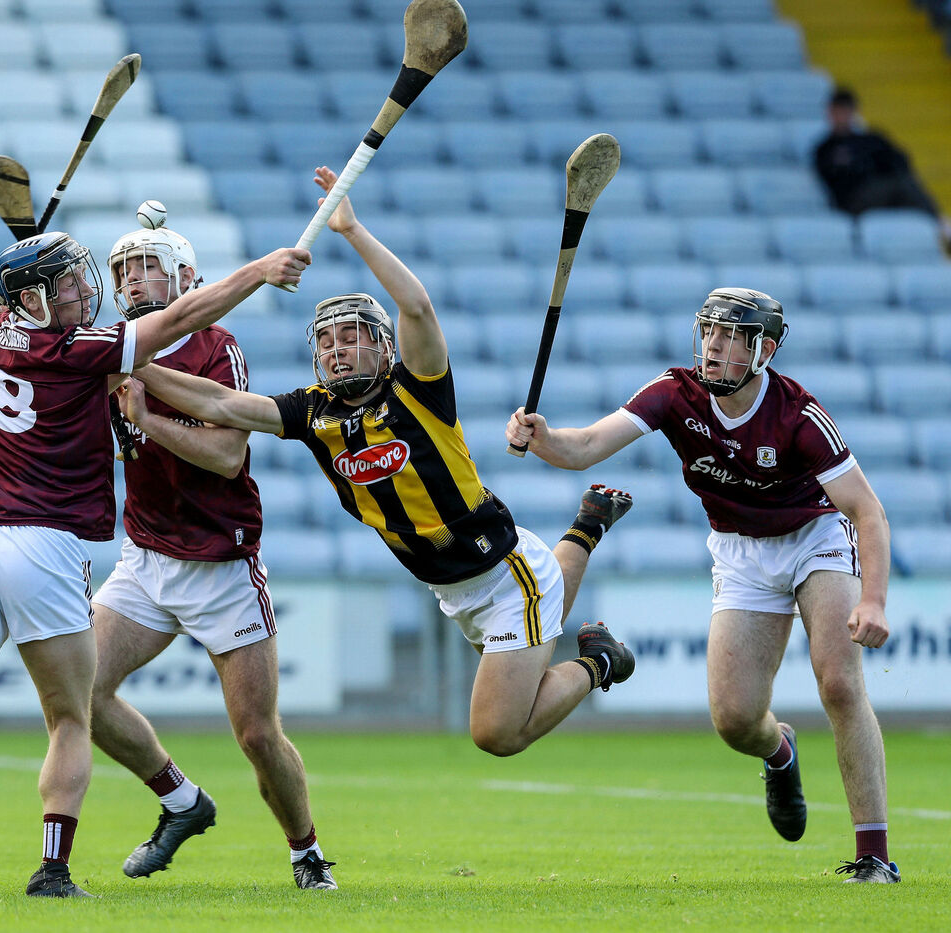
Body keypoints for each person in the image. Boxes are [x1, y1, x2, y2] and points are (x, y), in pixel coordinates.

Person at [0, 232, 311, 899]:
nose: (85, 288)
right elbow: (181, 319)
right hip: (44, 545)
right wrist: (262, 271)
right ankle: (53, 869)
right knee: (71, 717)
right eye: (69, 282)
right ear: (38, 296)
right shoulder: (83, 352)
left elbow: (8, 319)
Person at [130, 166, 639, 773]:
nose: (338, 349)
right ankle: (587, 525)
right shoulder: (310, 412)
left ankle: (600, 661)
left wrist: (351, 229)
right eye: (328, 341)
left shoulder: (417, 390)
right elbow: (217, 404)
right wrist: (128, 362)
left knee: (499, 733)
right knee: (534, 645)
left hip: (501, 573)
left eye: (352, 336)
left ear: (383, 345)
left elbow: (417, 305)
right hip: (448, 585)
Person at [0, 218, 335, 890]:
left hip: (223, 565)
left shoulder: (214, 346)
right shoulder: (101, 349)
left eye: (145, 264)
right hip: (145, 560)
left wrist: (148, 419)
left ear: (185, 278)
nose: (130, 278)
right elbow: (28, 357)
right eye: (121, 269)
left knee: (258, 734)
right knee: (81, 695)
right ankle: (180, 800)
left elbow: (228, 456)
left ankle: (306, 851)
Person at [506, 287, 898, 884]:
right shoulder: (673, 393)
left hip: (813, 537)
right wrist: (541, 437)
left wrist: (872, 598)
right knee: (736, 720)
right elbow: (584, 447)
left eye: (729, 337)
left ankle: (873, 854)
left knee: (840, 682)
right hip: (740, 552)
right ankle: (779, 751)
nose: (711, 348)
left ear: (763, 349)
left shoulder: (798, 415)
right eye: (708, 332)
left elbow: (866, 510)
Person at [813, 86, 951, 249]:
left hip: (882, 193)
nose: (841, 116)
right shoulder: (825, 148)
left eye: (845, 111)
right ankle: (941, 226)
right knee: (901, 185)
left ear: (853, 112)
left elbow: (900, 160)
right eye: (837, 111)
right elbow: (835, 180)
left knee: (904, 183)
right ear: (830, 113)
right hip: (853, 202)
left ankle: (937, 228)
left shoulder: (870, 139)